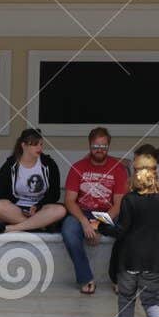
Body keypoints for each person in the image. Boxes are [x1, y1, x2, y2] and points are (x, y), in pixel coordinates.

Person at [107, 151, 159, 317]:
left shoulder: (129, 199)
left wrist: (101, 226)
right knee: (151, 301)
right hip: (154, 260)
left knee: (126, 299)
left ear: (134, 173)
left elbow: (121, 231)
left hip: (129, 259)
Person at [61, 126, 128, 295]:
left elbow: (119, 204)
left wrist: (98, 225)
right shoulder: (78, 167)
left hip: (108, 213)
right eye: (96, 146)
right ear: (89, 145)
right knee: (69, 230)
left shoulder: (118, 169)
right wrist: (84, 222)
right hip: (82, 212)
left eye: (103, 146)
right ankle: (85, 278)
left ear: (108, 146)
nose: (99, 149)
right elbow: (69, 201)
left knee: (127, 229)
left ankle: (118, 278)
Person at [0, 127, 64, 234]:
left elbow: (55, 193)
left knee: (60, 210)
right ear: (23, 145)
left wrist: (38, 206)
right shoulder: (10, 165)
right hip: (17, 210)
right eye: (35, 144)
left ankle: (11, 228)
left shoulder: (49, 164)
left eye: (41, 144)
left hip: (40, 210)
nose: (39, 148)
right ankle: (39, 226)